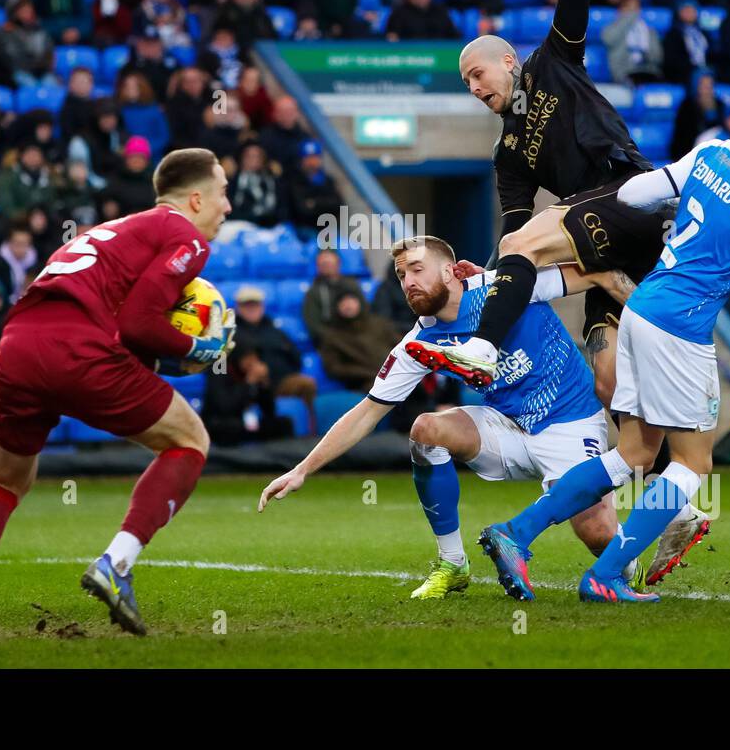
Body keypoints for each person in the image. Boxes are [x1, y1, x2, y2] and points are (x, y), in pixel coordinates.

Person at [478, 78, 730, 603]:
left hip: (639, 309)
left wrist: (695, 210)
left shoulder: (714, 152)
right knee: (693, 464)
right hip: (681, 327)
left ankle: (517, 532)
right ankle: (605, 575)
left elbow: (635, 193)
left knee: (637, 453)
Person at [0, 148, 236, 641]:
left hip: (18, 347)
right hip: (79, 349)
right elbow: (139, 323)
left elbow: (119, 317)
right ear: (196, 198)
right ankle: (116, 564)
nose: (227, 207)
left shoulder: (109, 232)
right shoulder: (184, 236)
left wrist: (155, 354)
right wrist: (194, 347)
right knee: (189, 442)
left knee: (4, 483)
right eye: (223, 194)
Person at [261, 235, 660, 598]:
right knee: (426, 430)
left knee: (594, 531)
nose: (408, 282)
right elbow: (366, 413)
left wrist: (653, 318)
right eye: (401, 275)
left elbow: (591, 272)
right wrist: (302, 470)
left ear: (451, 271)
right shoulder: (418, 342)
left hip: (570, 421)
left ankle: (630, 565)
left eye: (417, 269)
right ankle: (452, 562)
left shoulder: (507, 286)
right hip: (504, 425)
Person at [412, 0, 657, 412]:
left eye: (478, 75)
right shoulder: (508, 156)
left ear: (508, 61)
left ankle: (480, 348)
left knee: (530, 240)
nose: (475, 90)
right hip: (600, 245)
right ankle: (679, 487)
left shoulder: (556, 59)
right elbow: (515, 235)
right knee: (610, 381)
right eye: (466, 85)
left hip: (631, 196)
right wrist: (488, 276)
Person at [228, 285, 317, 435]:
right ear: (238, 307)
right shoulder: (232, 333)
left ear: (262, 306)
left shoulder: (275, 330)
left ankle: (311, 433)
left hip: (281, 381)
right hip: (250, 384)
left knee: (306, 383)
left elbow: (296, 358)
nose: (251, 308)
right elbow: (226, 366)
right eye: (246, 304)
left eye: (255, 304)